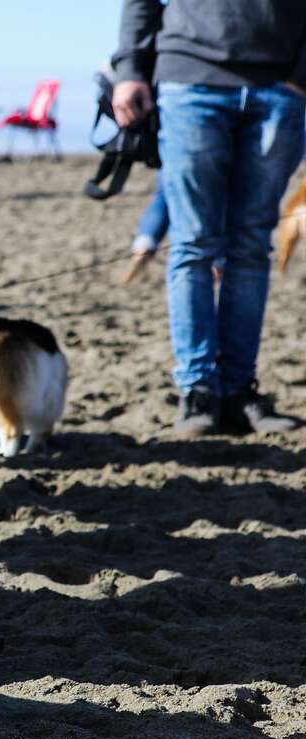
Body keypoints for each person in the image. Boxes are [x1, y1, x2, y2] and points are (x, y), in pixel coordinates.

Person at [113, 0, 306, 436]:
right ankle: (198, 391)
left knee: (252, 245)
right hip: (189, 79)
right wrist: (129, 69)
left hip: (281, 85)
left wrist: (300, 79)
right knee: (192, 244)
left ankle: (238, 390)